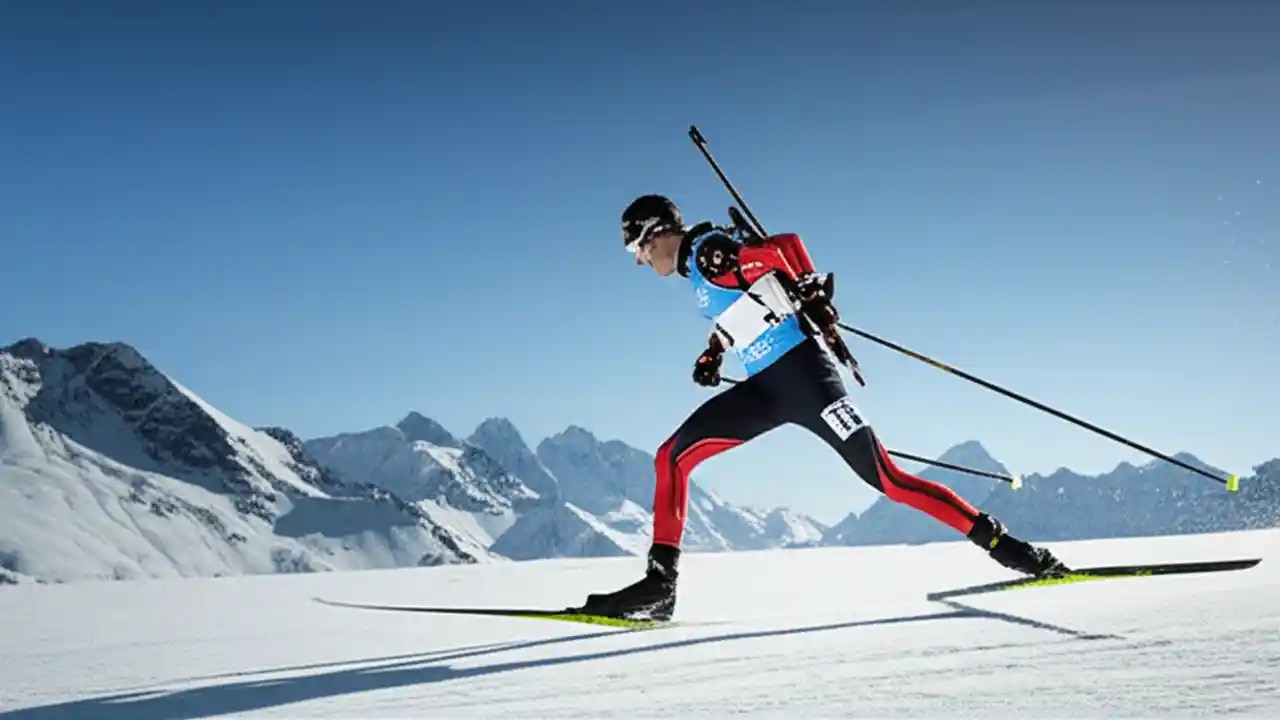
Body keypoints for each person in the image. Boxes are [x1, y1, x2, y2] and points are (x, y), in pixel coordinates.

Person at [577, 194, 1069, 622]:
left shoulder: (709, 253)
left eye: (635, 248)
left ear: (654, 233)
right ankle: (660, 586)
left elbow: (778, 249)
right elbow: (749, 300)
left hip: (807, 380)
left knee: (890, 480)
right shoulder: (701, 267)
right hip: (767, 388)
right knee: (672, 456)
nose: (638, 260)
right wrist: (715, 348)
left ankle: (1010, 549)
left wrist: (810, 287)